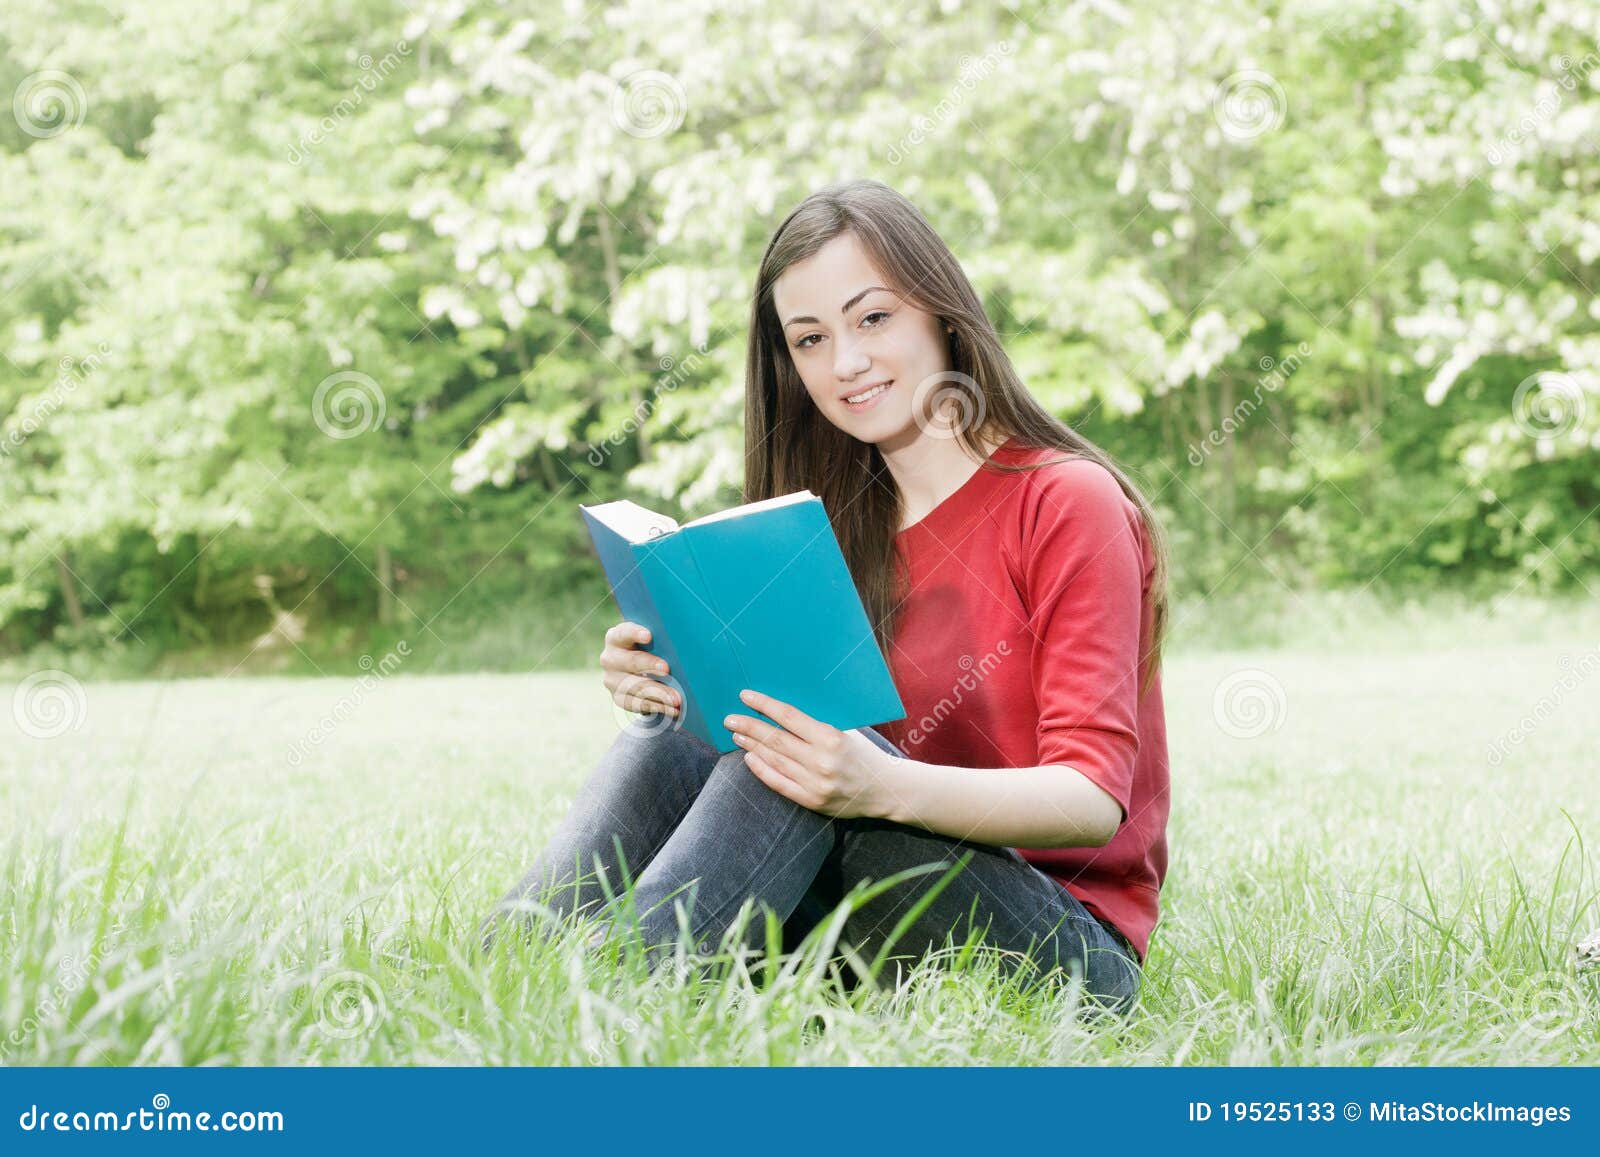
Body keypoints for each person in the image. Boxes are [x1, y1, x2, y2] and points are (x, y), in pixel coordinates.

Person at [480, 178, 1170, 1015]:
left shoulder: (1064, 500)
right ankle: (510, 965)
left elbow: (1091, 799)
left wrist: (876, 785)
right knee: (687, 738)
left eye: (872, 318)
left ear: (942, 313)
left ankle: (622, 992)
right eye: (810, 339)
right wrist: (670, 681)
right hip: (865, 897)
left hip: (1062, 945)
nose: (844, 363)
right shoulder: (830, 526)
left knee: (793, 752)